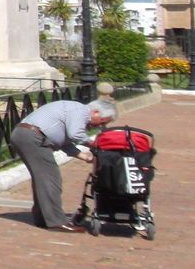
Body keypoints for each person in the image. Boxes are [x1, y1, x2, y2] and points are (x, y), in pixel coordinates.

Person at [9, 97, 116, 232]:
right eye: (102, 122)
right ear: (96, 112)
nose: (100, 126)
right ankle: (56, 222)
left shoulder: (75, 112)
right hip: (33, 137)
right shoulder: (80, 111)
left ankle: (43, 218)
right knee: (50, 179)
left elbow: (65, 143)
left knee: (43, 179)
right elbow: (75, 134)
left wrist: (86, 157)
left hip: (29, 136)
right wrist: (97, 144)